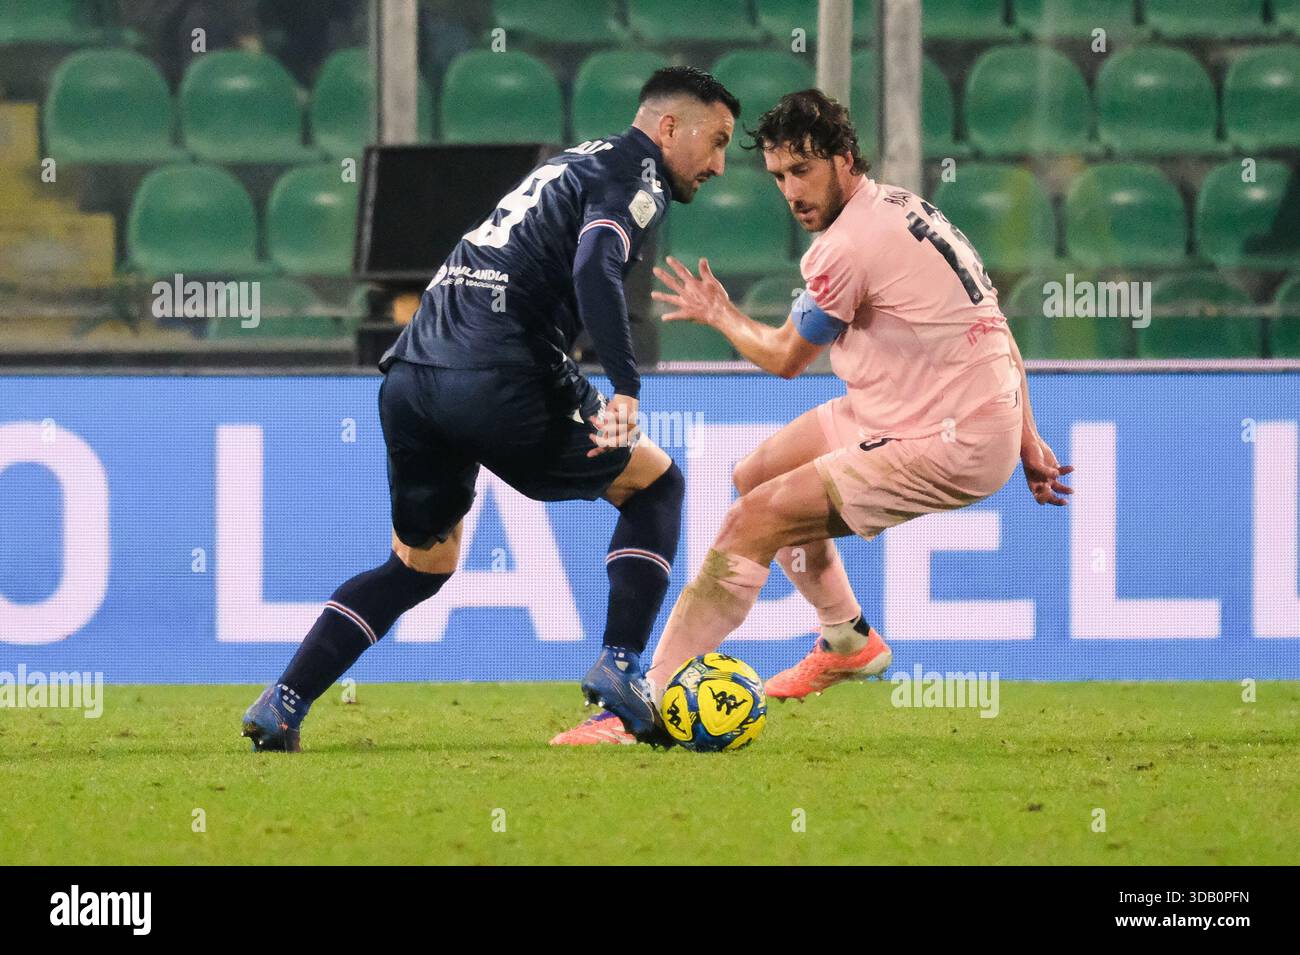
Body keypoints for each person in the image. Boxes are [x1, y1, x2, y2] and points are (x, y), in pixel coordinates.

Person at [241, 67, 740, 752]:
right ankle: (622, 665)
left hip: (413, 377)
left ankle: (283, 703)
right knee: (657, 484)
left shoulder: (574, 163)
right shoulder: (638, 178)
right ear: (669, 127)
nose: (718, 165)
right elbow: (594, 266)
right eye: (717, 141)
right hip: (500, 376)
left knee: (420, 564)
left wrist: (575, 382)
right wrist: (624, 387)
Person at [640, 88, 1073, 719]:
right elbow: (991, 324)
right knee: (756, 476)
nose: (791, 193)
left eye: (802, 170)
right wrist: (1026, 435)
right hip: (915, 405)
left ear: (844, 159)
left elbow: (786, 359)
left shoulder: (845, 247)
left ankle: (649, 700)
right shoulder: (904, 205)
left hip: (949, 435)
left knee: (753, 521)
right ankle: (847, 639)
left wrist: (721, 314)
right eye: (779, 176)